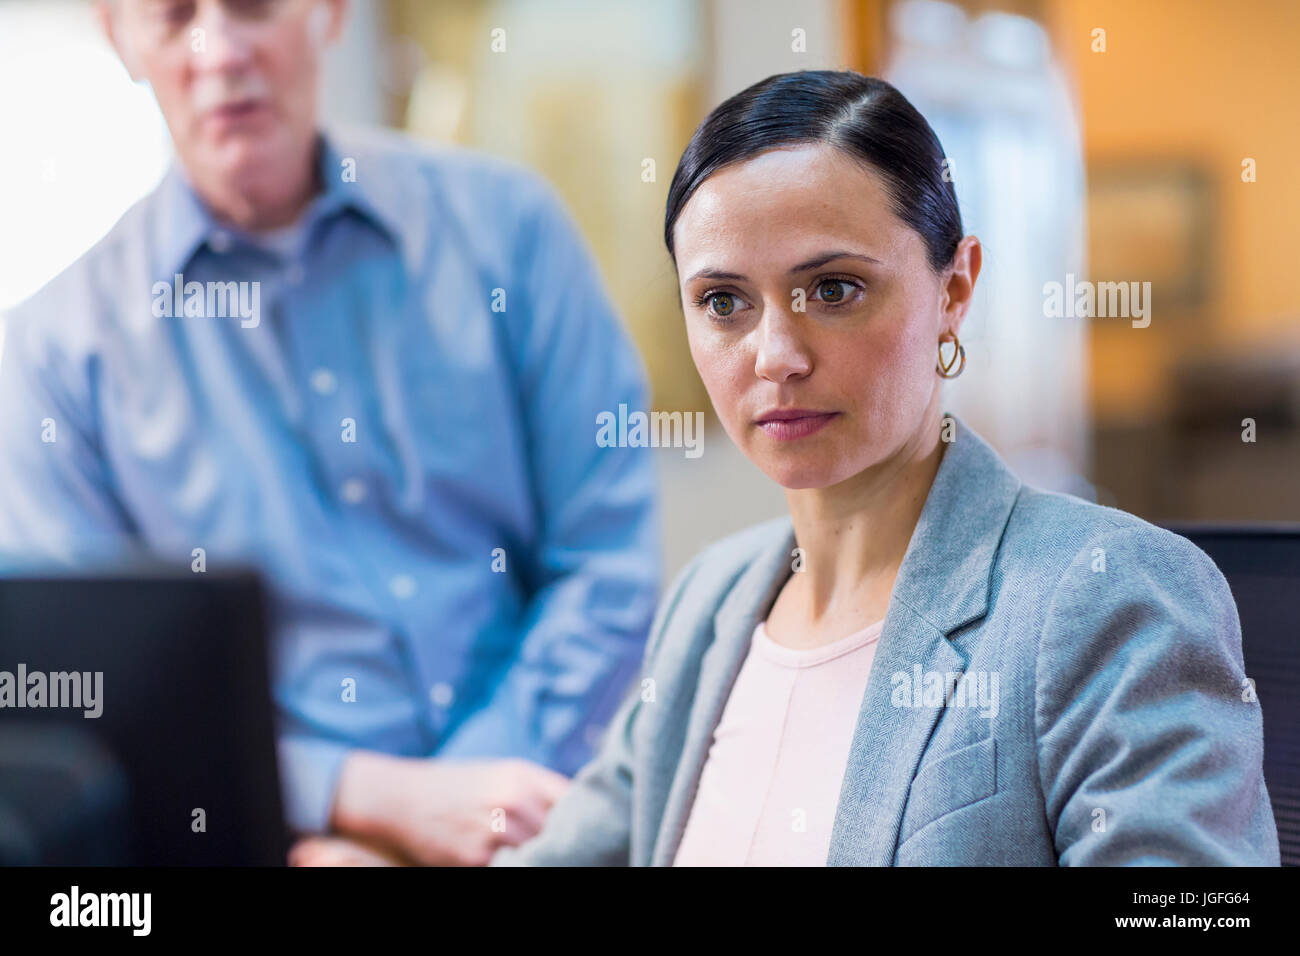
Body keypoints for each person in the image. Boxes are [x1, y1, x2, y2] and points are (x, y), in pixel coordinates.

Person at [492, 70, 1281, 866]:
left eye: (832, 289)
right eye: (724, 302)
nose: (775, 357)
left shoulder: (1107, 597)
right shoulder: (709, 602)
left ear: (955, 287)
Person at [0, 0, 660, 867]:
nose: (220, 51)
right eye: (171, 16)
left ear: (332, 12)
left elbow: (606, 558)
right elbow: (93, 703)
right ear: (118, 36)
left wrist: (480, 800)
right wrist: (357, 804)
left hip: (553, 814)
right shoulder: (49, 354)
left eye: (253, 6)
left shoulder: (511, 233)